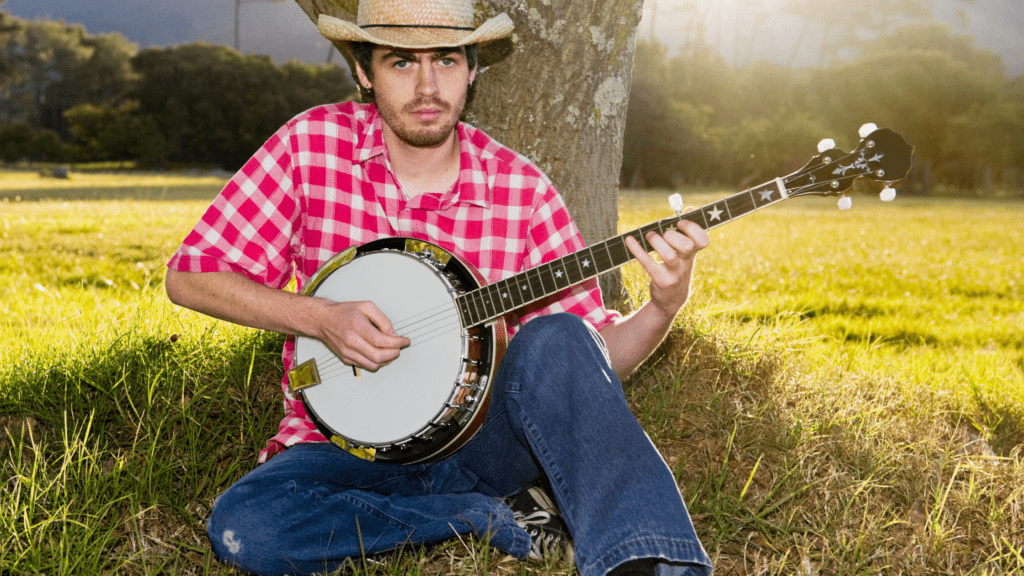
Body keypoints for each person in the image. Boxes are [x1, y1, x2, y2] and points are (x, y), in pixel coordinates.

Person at [164, 0, 713, 574]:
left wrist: (663, 306)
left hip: (480, 447)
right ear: (362, 70)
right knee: (247, 525)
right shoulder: (311, 147)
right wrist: (319, 317)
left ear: (472, 70)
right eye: (401, 62)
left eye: (447, 60)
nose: (428, 85)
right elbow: (190, 276)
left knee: (560, 333)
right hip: (336, 449)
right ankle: (473, 517)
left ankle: (650, 561)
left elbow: (586, 364)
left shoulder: (521, 190)